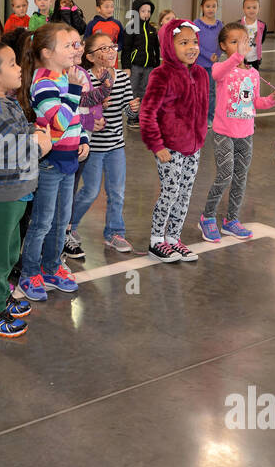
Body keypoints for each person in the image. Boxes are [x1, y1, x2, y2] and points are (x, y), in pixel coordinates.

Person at [0, 41, 47, 337]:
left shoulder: (4, 103)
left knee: (10, 248)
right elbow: (17, 148)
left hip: (15, 190)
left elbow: (18, 134)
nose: (19, 68)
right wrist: (39, 142)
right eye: (12, 64)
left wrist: (33, 132)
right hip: (1, 193)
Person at [16, 22, 86, 301]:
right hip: (50, 161)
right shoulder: (44, 82)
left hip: (68, 159)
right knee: (43, 222)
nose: (75, 49)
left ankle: (52, 267)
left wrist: (82, 140)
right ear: (46, 52)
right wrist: (73, 91)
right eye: (67, 45)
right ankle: (29, 272)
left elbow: (72, 121)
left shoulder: (65, 77)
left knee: (61, 221)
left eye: (75, 44)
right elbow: (57, 124)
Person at [198, 23, 275, 242]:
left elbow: (253, 102)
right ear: (223, 46)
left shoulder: (253, 73)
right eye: (233, 42)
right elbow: (216, 74)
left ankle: (231, 220)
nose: (239, 46)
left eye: (243, 41)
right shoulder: (223, 68)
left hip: (246, 133)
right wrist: (237, 57)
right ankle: (207, 217)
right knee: (225, 174)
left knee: (240, 177)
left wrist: (269, 101)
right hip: (223, 132)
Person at [140, 19, 209, 264]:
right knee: (170, 191)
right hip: (169, 147)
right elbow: (147, 113)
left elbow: (202, 110)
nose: (192, 47)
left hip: (193, 146)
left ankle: (174, 238)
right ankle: (156, 240)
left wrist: (199, 137)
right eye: (183, 43)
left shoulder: (201, 74)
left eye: (194, 42)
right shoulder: (162, 74)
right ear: (169, 46)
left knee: (186, 193)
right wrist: (157, 145)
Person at [69, 30, 137, 254]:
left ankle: (115, 233)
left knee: (117, 192)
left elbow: (127, 108)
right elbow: (79, 108)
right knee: (89, 191)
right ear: (89, 56)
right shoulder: (85, 78)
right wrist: (96, 109)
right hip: (93, 147)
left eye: (112, 47)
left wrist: (133, 108)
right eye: (103, 48)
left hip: (116, 145)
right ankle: (70, 225)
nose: (110, 51)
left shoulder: (123, 77)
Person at [122, 0, 159, 127]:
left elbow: (156, 49)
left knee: (145, 91)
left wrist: (156, 65)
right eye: (143, 11)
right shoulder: (131, 28)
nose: (146, 14)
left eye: (149, 11)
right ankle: (132, 118)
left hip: (149, 67)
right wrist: (126, 67)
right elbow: (126, 49)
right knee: (133, 91)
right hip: (135, 66)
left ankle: (142, 117)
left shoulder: (152, 30)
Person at [194, 0, 222, 126]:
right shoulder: (196, 24)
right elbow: (194, 43)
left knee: (211, 91)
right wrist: (208, 54)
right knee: (198, 91)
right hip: (199, 63)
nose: (211, 9)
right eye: (207, 6)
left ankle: (209, 117)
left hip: (212, 65)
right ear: (202, 7)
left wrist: (217, 54)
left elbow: (223, 42)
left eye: (213, 6)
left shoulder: (219, 25)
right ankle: (196, 116)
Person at [239, 0, 267, 69]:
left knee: (253, 78)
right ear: (243, 9)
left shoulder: (262, 25)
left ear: (259, 9)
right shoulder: (239, 25)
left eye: (254, 8)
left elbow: (262, 40)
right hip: (240, 59)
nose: (251, 10)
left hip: (255, 59)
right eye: (248, 8)